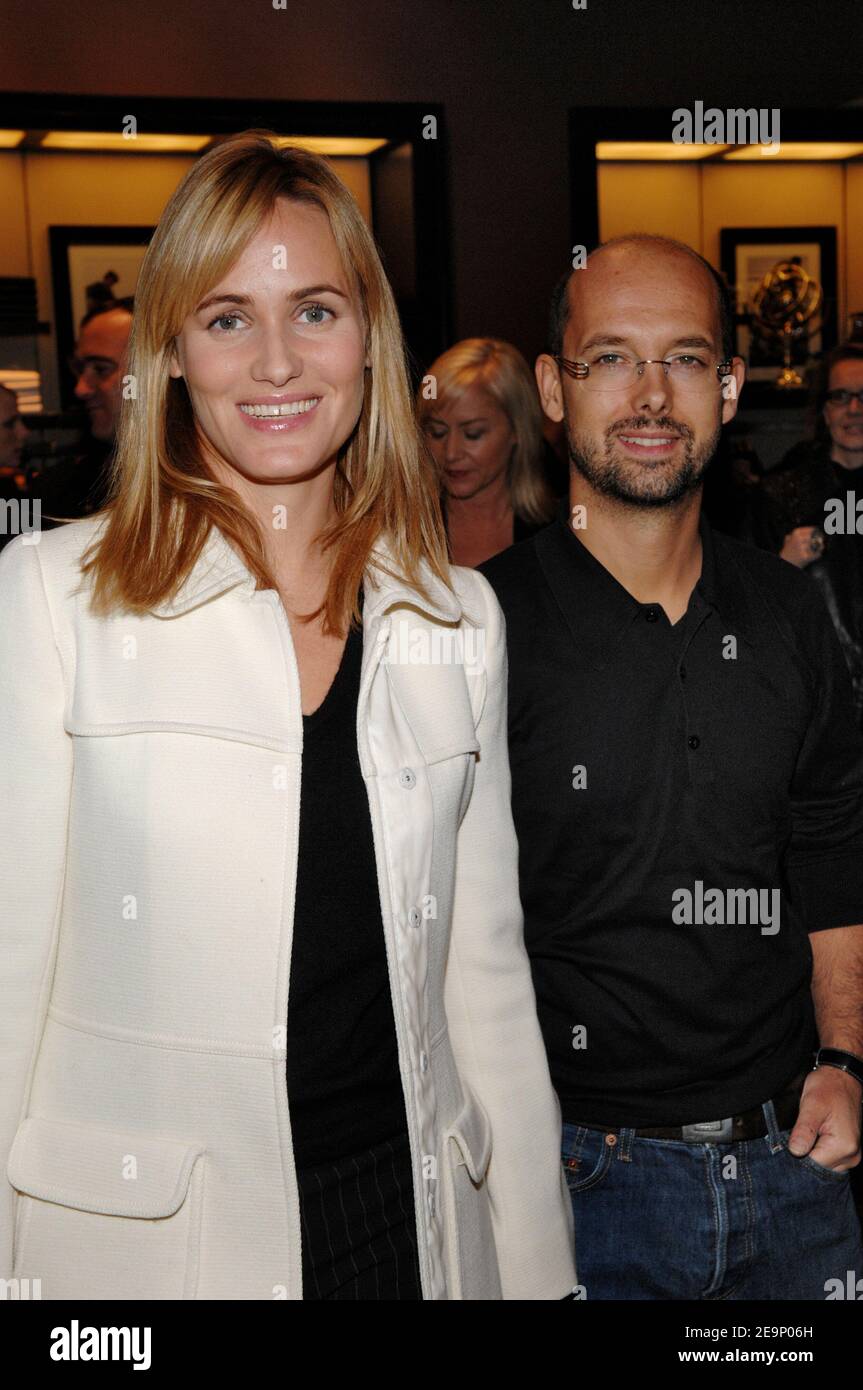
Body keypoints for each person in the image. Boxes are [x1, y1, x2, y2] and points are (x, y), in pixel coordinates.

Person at [0, 131, 575, 1302]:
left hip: (409, 1221)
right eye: (225, 318)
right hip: (146, 1259)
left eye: (313, 311)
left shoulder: (457, 618)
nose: (274, 362)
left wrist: (537, 1272)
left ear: (369, 340)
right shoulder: (52, 601)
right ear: (169, 354)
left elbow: (485, 983)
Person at [480, 233, 863, 1300]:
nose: (650, 394)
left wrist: (843, 1062)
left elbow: (831, 849)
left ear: (729, 388)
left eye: (685, 359)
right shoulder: (477, 628)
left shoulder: (792, 616)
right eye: (610, 358)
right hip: (574, 1185)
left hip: (792, 1171)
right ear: (553, 390)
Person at [751, 343, 863, 726]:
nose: (854, 409)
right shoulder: (783, 494)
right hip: (819, 708)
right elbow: (743, 613)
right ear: (824, 409)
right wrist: (783, 565)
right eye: (841, 396)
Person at [418, 338, 556, 567]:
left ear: (517, 429)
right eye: (437, 432)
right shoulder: (399, 528)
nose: (451, 453)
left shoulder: (555, 530)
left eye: (473, 434)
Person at [34, 301, 134, 529]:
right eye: (80, 369)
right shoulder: (57, 491)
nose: (80, 389)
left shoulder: (210, 484)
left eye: (101, 369)